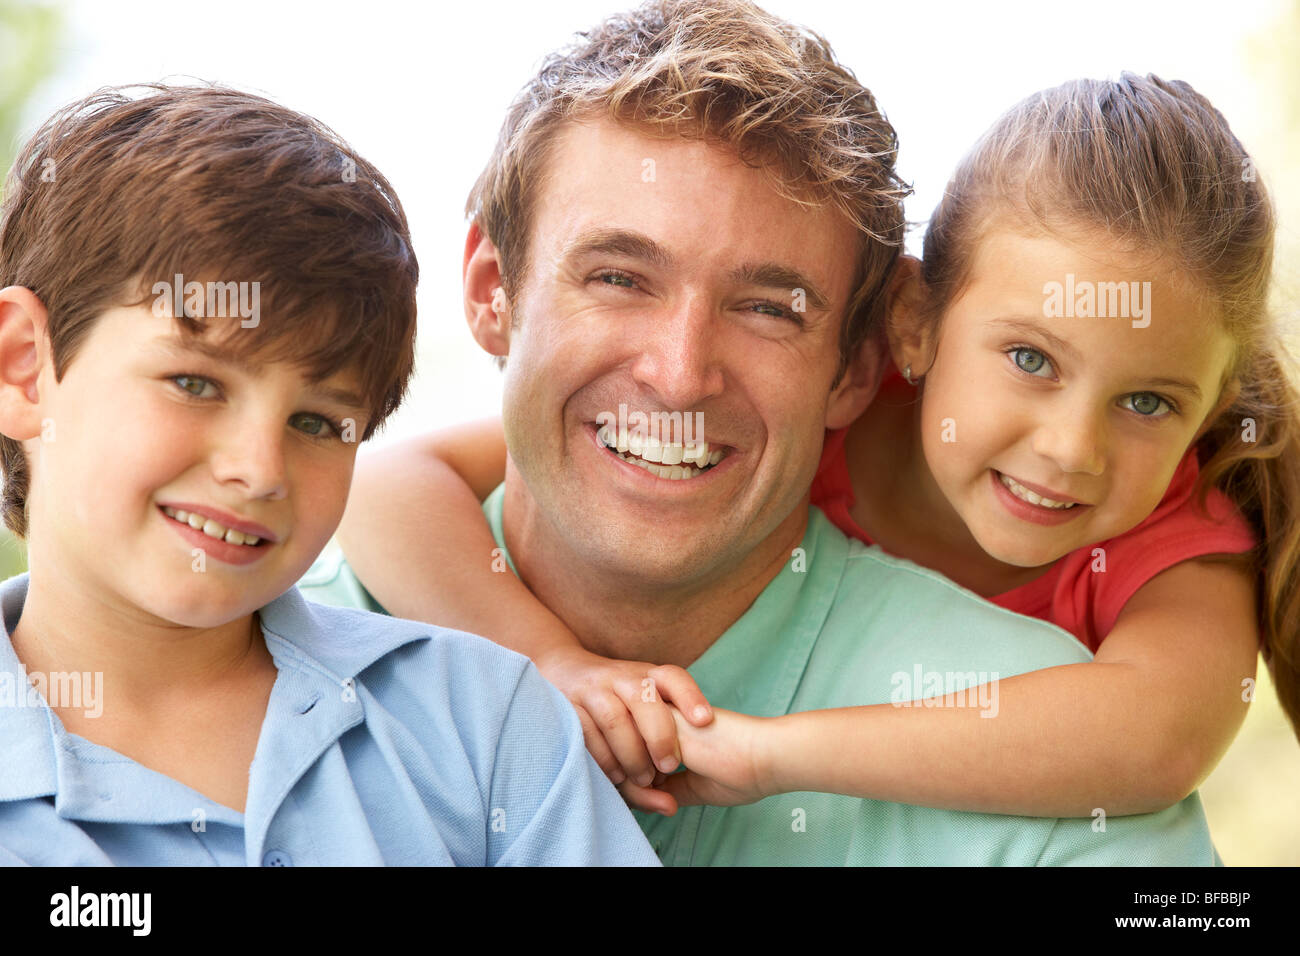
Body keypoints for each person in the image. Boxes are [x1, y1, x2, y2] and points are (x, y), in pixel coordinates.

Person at [300, 0, 1224, 864]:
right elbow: (387, 479)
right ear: (490, 292)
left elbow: (1161, 735)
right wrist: (545, 666)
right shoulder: (268, 638)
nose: (678, 374)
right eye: (619, 278)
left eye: (770, 308)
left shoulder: (1047, 762)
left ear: (857, 369)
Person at [0, 84, 660, 866]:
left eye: (316, 423)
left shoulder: (484, 725)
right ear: (24, 367)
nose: (258, 470)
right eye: (195, 383)